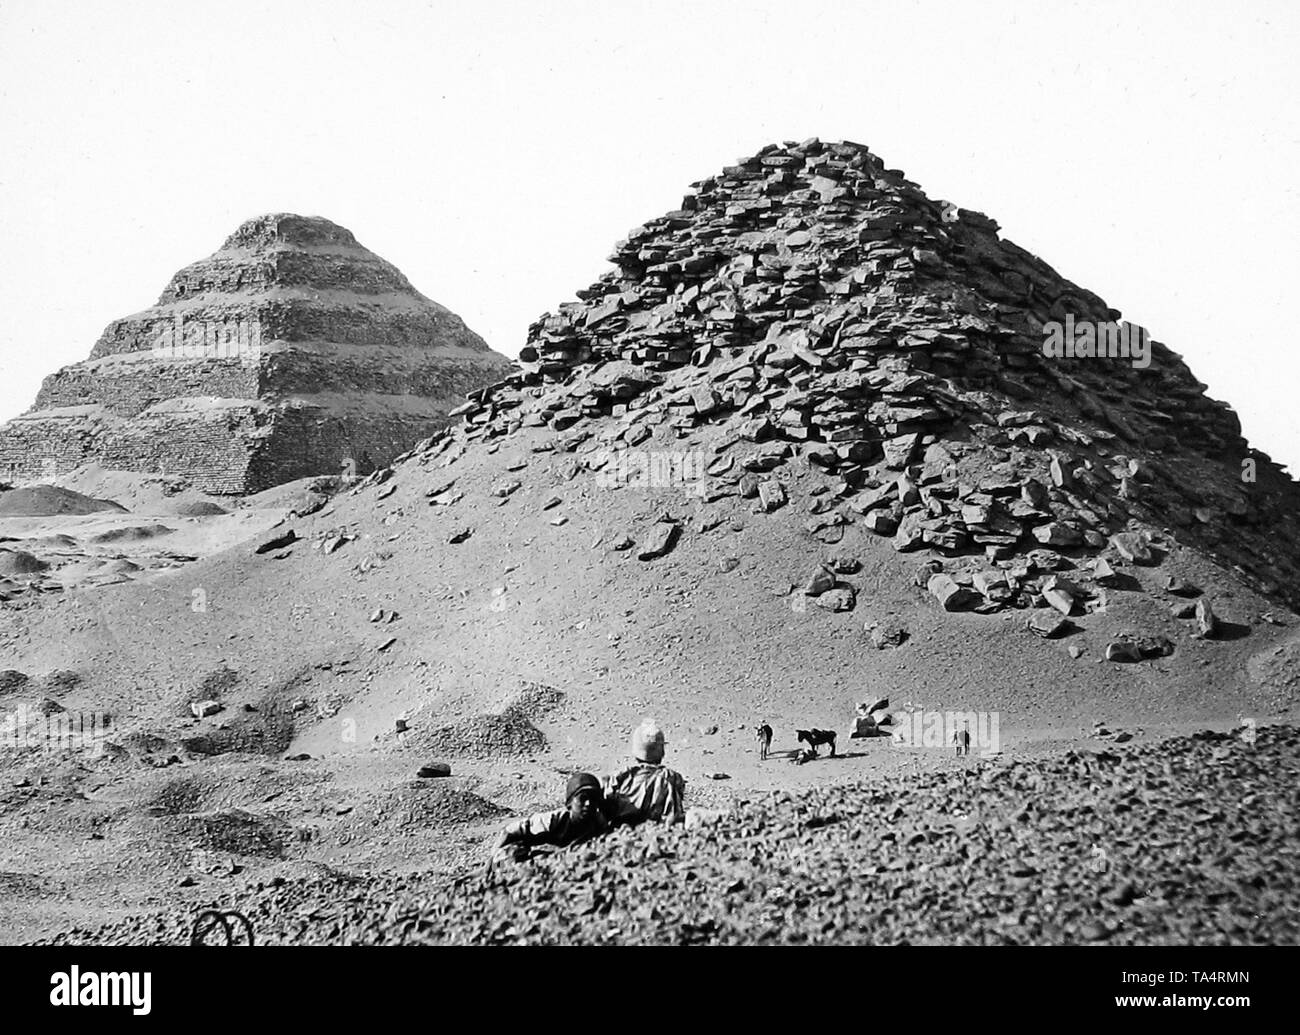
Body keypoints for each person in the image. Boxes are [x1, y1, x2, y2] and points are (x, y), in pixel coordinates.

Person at [491, 772, 612, 864]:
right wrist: (491, 862)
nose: (588, 804)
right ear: (569, 803)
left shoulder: (598, 823)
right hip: (527, 855)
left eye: (593, 799)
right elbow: (509, 831)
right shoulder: (553, 820)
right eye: (583, 798)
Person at [603, 719, 686, 825]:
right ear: (662, 751)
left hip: (621, 832)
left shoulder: (622, 776)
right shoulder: (671, 777)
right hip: (658, 833)